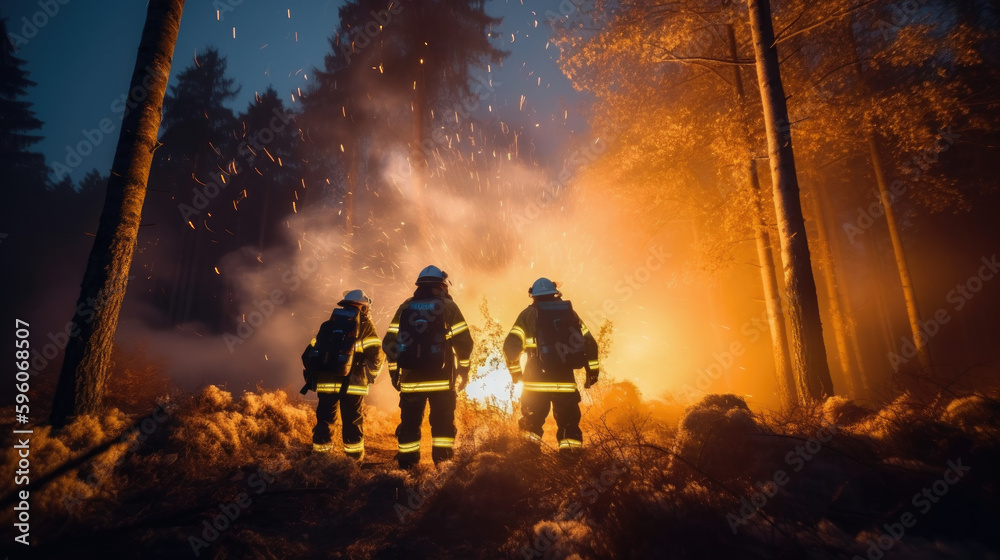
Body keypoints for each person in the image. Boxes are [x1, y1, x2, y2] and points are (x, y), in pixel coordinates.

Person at [383, 265, 474, 468]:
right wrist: (464, 370)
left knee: (409, 426)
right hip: (442, 381)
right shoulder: (449, 307)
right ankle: (442, 467)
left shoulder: (405, 307)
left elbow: (389, 344)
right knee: (442, 427)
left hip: (410, 381)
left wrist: (394, 374)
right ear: (441, 286)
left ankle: (407, 468)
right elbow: (465, 342)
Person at [503, 278, 601, 452]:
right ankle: (570, 463)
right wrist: (592, 372)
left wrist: (516, 373)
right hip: (564, 382)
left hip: (535, 383)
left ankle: (528, 463)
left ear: (533, 295)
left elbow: (510, 348)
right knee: (569, 425)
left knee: (530, 427)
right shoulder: (569, 313)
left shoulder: (527, 315)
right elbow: (589, 343)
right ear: (555, 293)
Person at [301, 289, 383, 461]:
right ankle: (352, 462)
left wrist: (314, 375)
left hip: (326, 382)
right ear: (362, 307)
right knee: (352, 422)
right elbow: (375, 356)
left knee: (324, 421)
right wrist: (371, 376)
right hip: (353, 384)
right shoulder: (366, 326)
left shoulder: (328, 325)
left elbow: (309, 353)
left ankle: (320, 459)